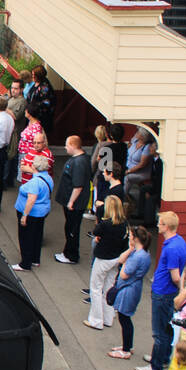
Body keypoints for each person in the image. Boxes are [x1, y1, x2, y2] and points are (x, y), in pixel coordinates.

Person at [136, 212, 186, 370]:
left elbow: (175, 276)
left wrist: (181, 291)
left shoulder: (172, 248)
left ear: (166, 226)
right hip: (166, 292)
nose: (157, 225)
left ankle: (155, 367)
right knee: (167, 328)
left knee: (160, 332)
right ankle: (163, 358)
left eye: (160, 223)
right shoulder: (180, 242)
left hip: (163, 293)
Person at [108, 225, 152, 359]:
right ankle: (127, 345)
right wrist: (130, 249)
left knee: (124, 318)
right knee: (124, 318)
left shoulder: (138, 257)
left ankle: (126, 350)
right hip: (130, 287)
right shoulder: (140, 252)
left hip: (129, 289)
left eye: (131, 236)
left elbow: (124, 274)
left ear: (136, 238)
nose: (129, 237)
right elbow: (120, 259)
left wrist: (125, 265)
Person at [84, 195, 128, 329]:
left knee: (96, 288)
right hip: (116, 259)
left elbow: (96, 231)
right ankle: (108, 318)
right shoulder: (124, 224)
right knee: (108, 288)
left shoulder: (105, 224)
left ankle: (96, 320)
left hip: (103, 258)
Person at [12, 153, 54, 272]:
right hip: (42, 212)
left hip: (31, 213)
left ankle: (25, 263)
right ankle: (35, 259)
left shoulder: (35, 182)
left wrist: (24, 215)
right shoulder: (48, 178)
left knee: (26, 237)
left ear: (34, 167)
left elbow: (31, 199)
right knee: (37, 235)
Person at [54, 135, 91, 264]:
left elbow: (78, 185)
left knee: (72, 229)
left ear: (73, 146)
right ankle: (67, 251)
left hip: (75, 203)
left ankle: (71, 255)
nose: (65, 147)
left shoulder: (79, 162)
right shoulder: (81, 159)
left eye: (67, 145)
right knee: (70, 227)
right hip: (73, 201)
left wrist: (71, 201)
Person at [124, 128, 157, 213]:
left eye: (138, 132)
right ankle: (127, 199)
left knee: (127, 178)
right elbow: (130, 143)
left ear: (142, 136)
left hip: (142, 172)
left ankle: (121, 197)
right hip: (129, 168)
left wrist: (129, 171)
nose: (136, 133)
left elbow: (142, 164)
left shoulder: (147, 147)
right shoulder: (135, 142)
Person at [5, 78, 27, 188]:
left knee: (11, 156)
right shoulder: (11, 99)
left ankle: (7, 181)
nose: (13, 90)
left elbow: (16, 116)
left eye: (16, 88)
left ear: (21, 89)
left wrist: (4, 108)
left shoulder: (22, 102)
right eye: (12, 88)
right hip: (8, 131)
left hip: (15, 133)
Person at [25, 66, 56, 141]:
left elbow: (47, 102)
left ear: (39, 75)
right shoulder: (34, 84)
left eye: (34, 75)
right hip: (31, 115)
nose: (32, 76)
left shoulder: (44, 86)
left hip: (40, 117)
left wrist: (34, 107)